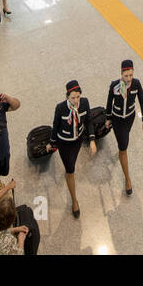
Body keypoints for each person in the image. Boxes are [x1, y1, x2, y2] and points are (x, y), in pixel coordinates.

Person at [49, 80, 95, 218]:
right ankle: (74, 200)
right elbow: (55, 125)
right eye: (72, 98)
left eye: (78, 97)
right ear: (67, 96)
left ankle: (70, 174)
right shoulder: (61, 108)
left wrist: (92, 140)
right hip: (64, 143)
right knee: (70, 170)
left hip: (78, 141)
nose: (76, 101)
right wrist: (52, 143)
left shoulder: (85, 103)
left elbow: (88, 121)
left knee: (72, 165)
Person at [104, 59, 143, 196]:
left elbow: (142, 99)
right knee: (123, 147)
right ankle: (128, 179)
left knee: (124, 139)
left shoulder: (136, 84)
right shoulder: (115, 86)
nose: (128, 79)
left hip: (130, 117)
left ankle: (122, 147)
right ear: (121, 74)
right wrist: (108, 118)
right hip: (117, 119)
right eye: (126, 76)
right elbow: (109, 102)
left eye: (130, 75)